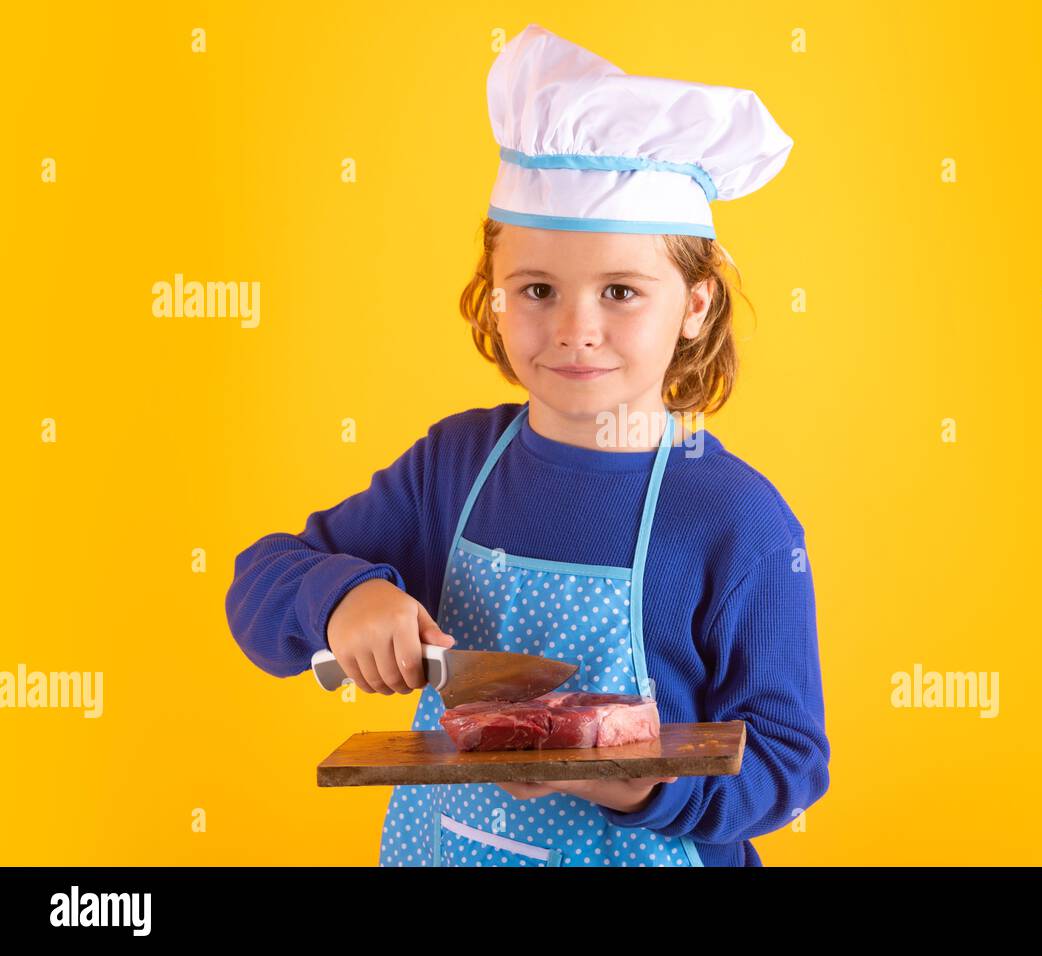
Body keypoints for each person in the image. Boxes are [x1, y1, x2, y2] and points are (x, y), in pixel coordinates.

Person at [226, 22, 829, 867]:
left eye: (621, 291)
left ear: (694, 306)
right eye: (537, 289)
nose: (576, 330)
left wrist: (635, 782)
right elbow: (258, 583)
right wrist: (338, 599)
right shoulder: (454, 469)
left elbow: (790, 760)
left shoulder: (734, 518)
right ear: (493, 297)